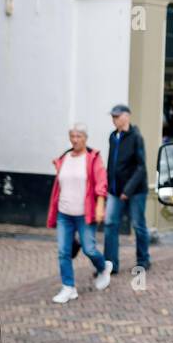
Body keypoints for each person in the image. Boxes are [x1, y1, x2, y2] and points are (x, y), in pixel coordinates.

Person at [46, 122, 113, 303]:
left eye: (79, 136)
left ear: (85, 138)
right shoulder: (65, 157)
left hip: (85, 213)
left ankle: (103, 267)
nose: (75, 140)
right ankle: (69, 287)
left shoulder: (92, 158)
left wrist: (100, 206)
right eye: (72, 136)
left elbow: (101, 183)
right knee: (63, 251)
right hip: (64, 213)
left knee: (89, 248)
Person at [104, 104, 149, 274]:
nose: (114, 120)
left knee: (138, 225)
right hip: (115, 190)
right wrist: (109, 185)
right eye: (113, 117)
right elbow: (111, 164)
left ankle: (143, 260)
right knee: (110, 225)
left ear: (127, 117)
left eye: (117, 116)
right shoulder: (112, 137)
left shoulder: (136, 137)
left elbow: (141, 167)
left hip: (136, 191)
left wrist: (127, 190)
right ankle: (110, 264)